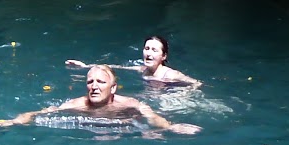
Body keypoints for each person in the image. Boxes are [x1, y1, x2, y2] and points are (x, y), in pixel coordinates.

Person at [0, 65, 200, 133]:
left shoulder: (129, 104)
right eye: (90, 82)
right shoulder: (76, 104)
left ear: (113, 87)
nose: (94, 86)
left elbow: (151, 116)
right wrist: (13, 121)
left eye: (100, 82)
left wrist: (171, 127)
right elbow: (39, 113)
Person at [64, 34, 201, 88]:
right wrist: (86, 66)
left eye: (154, 50)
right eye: (147, 48)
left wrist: (182, 95)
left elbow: (197, 83)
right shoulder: (143, 69)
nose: (149, 53)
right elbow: (117, 67)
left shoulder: (170, 75)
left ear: (163, 56)